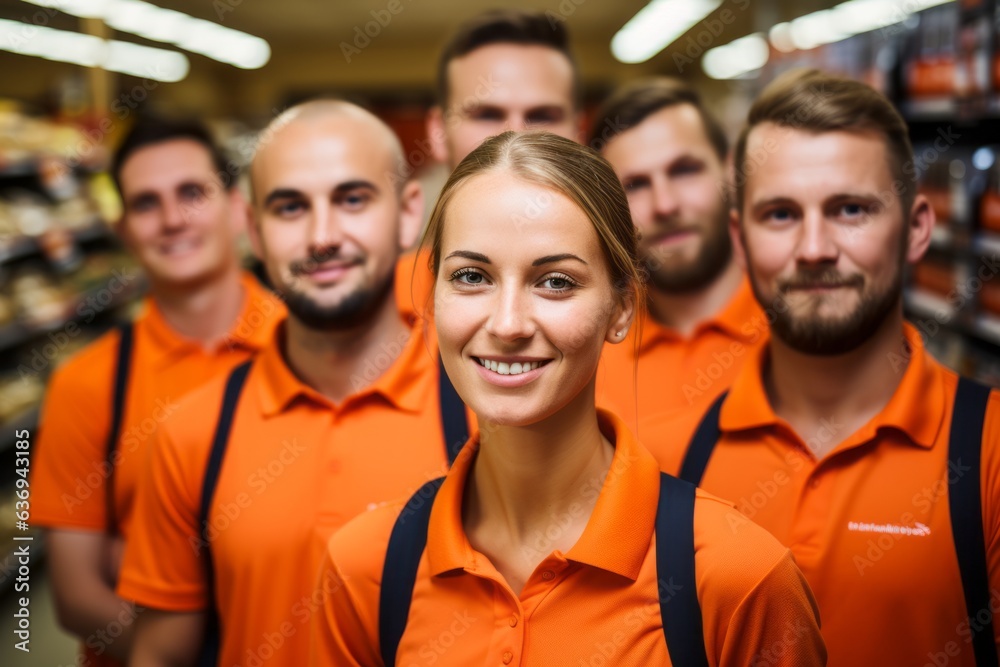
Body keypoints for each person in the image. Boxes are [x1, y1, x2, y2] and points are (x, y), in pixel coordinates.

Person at [310, 131, 827, 666]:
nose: (508, 324)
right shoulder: (364, 570)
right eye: (471, 276)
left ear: (622, 308)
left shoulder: (735, 576)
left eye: (555, 282)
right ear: (434, 293)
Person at [642, 69, 1000, 665]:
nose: (814, 249)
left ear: (915, 230)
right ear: (740, 239)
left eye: (850, 209)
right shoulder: (659, 463)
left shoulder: (988, 456)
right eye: (780, 214)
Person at [116, 100, 473, 667]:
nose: (322, 236)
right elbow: (160, 653)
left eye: (352, 199)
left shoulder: (490, 414)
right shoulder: (192, 434)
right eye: (290, 208)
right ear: (253, 230)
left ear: (409, 213)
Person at [30, 120, 284, 666]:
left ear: (238, 207)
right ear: (123, 229)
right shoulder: (88, 384)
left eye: (192, 193)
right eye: (147, 203)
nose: (171, 220)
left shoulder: (313, 352)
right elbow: (77, 598)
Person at [589, 78, 764, 427]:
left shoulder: (800, 327)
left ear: (730, 171)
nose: (665, 205)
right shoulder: (587, 355)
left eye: (684, 170)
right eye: (635, 185)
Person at [396, 8, 583, 319]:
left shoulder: (625, 302)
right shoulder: (385, 307)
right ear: (438, 133)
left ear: (578, 133)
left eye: (542, 116)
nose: (514, 136)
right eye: (486, 115)